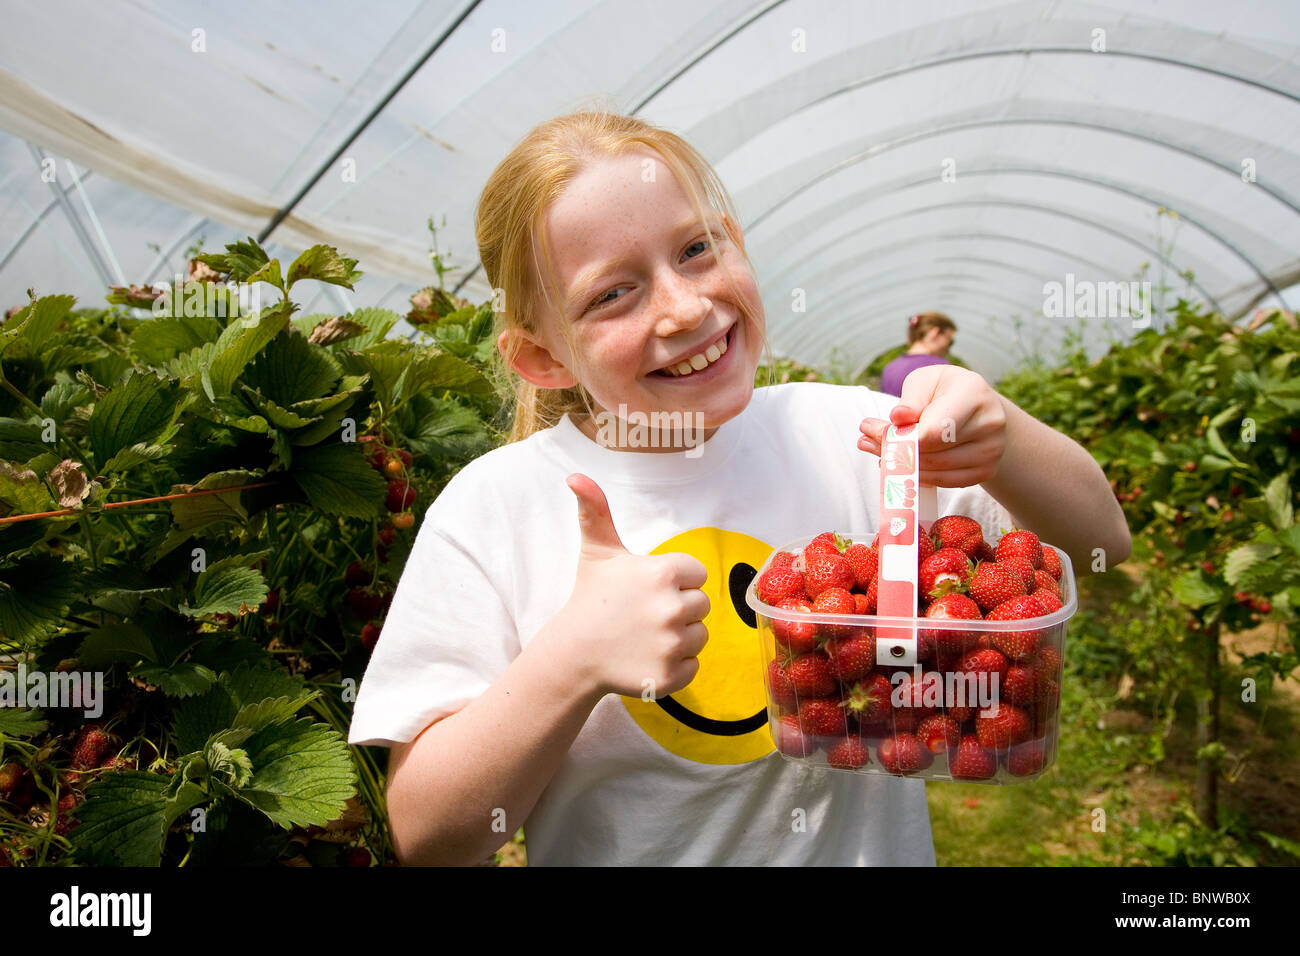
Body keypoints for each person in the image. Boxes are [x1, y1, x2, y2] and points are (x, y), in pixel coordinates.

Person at [347, 110, 1132, 866]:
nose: (686, 306)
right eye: (612, 294)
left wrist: (1008, 440)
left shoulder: (854, 435)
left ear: (737, 244)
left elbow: (1101, 545)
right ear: (541, 359)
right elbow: (431, 838)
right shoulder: (500, 509)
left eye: (695, 249)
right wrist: (571, 662)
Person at [880, 312, 957, 397]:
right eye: (950, 341)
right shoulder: (942, 368)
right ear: (935, 333)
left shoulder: (890, 368)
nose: (948, 350)